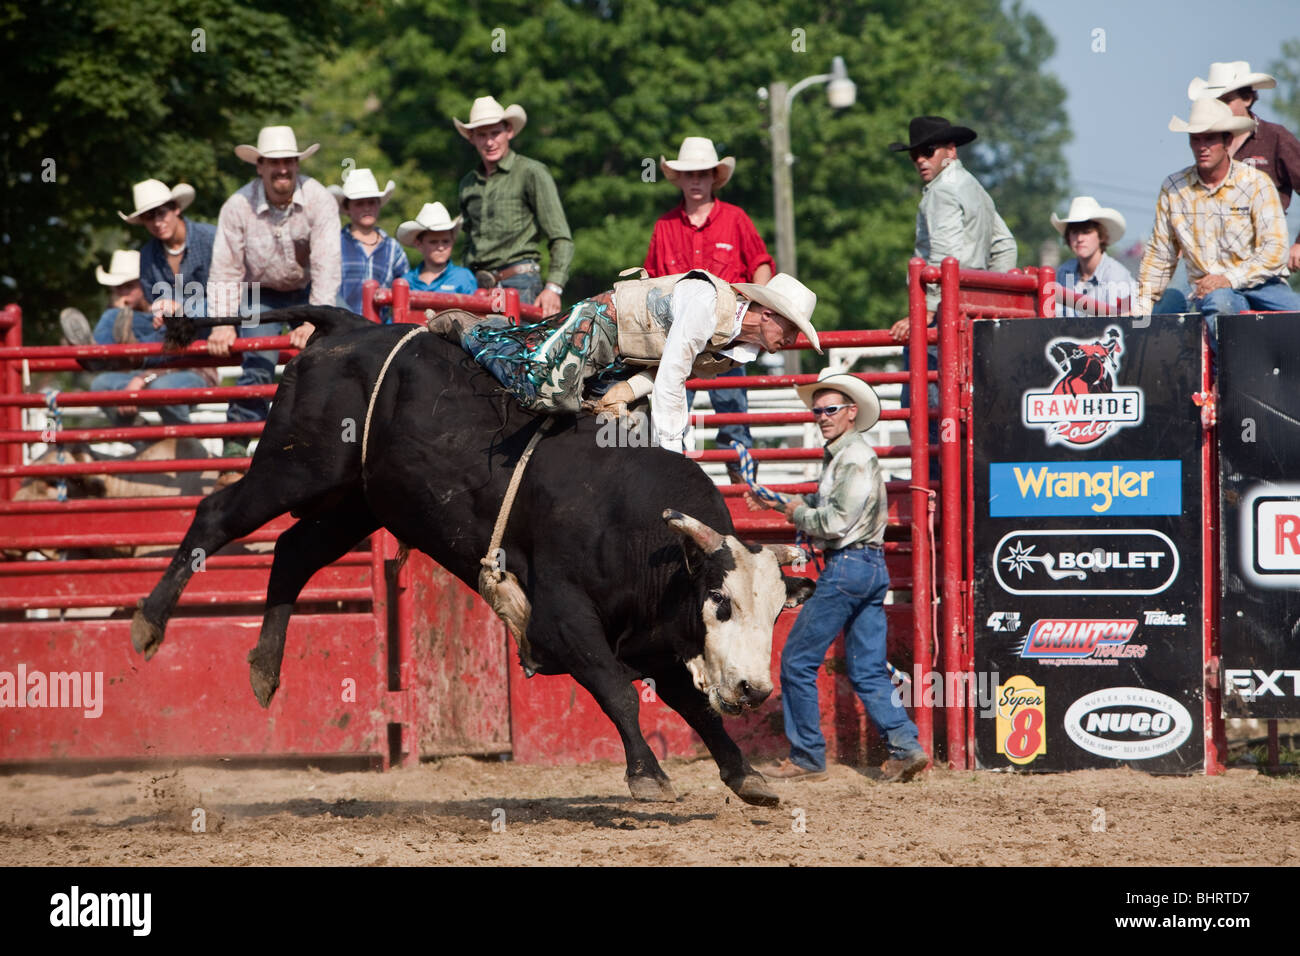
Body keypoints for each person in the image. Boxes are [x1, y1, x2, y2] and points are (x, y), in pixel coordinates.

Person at [749, 369, 928, 783]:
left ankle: (808, 756)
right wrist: (784, 506)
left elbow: (835, 521)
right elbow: (835, 510)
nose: (822, 417)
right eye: (818, 411)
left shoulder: (851, 458)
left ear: (850, 413)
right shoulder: (851, 457)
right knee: (866, 668)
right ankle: (905, 746)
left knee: (797, 661)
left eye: (830, 410)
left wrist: (797, 513)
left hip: (847, 567)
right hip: (869, 568)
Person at [436, 270, 821, 453]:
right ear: (767, 315)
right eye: (790, 330)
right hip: (601, 323)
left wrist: (626, 389)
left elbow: (667, 369)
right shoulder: (708, 305)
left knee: (624, 432)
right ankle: (473, 330)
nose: (790, 341)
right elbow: (672, 374)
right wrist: (677, 453)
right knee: (546, 393)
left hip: (627, 359)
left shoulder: (739, 350)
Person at [206, 125, 342, 486]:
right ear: (260, 166)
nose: (282, 170)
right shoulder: (238, 207)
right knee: (257, 364)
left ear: (297, 164)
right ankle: (234, 455)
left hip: (310, 289)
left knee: (341, 350)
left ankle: (337, 449)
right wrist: (222, 322)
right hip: (259, 292)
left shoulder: (319, 199)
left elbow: (328, 263)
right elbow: (226, 268)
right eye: (274, 163)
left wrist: (317, 316)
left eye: (288, 162)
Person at [886, 116, 1016, 477]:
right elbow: (1005, 246)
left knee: (924, 401)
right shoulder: (975, 188)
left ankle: (934, 482)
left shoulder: (942, 192)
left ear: (950, 151)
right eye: (915, 155)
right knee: (968, 406)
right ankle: (963, 482)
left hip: (943, 316)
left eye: (928, 151)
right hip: (971, 316)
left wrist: (924, 313)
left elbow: (941, 260)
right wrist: (991, 299)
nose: (921, 161)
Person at [645, 136, 775, 484]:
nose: (697, 181)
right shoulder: (665, 226)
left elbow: (761, 264)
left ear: (714, 177)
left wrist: (760, 302)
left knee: (732, 416)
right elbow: (650, 287)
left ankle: (743, 488)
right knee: (674, 416)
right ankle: (677, 487)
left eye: (703, 174)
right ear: (680, 179)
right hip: (679, 341)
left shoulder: (735, 219)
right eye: (690, 174)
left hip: (727, 340)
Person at [1138, 97, 1300, 344]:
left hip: (1262, 284)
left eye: (1210, 138)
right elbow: (1161, 253)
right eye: (1196, 138)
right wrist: (1144, 299)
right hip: (1209, 290)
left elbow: (1275, 250)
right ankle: (1222, 377)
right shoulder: (1174, 188)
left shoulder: (1256, 183)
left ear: (1227, 141)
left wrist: (1229, 278)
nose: (1202, 146)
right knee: (1218, 303)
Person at [454, 95, 572, 316]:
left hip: (521, 283)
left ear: (508, 131)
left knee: (515, 349)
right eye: (482, 135)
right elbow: (468, 243)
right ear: (471, 138)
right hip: (477, 286)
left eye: (495, 133)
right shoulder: (468, 183)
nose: (489, 142)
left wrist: (553, 288)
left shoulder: (531, 172)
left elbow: (561, 237)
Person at [71, 251, 211, 428]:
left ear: (143, 283)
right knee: (101, 384)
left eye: (128, 286)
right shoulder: (123, 319)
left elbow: (178, 355)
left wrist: (141, 380)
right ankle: (145, 446)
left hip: (189, 372)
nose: (122, 293)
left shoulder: (168, 305)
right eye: (117, 288)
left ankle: (186, 444)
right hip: (143, 378)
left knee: (161, 388)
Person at [1189, 60, 1300, 270]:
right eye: (1215, 102)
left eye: (1226, 101)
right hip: (1207, 254)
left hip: (1262, 253)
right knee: (1177, 301)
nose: (1219, 108)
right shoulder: (1206, 140)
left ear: (1248, 99)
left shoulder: (1276, 138)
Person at [119, 179, 217, 320]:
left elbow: (228, 292)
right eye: (149, 217)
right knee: (112, 317)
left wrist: (181, 308)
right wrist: (160, 310)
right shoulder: (147, 255)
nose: (157, 223)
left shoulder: (210, 238)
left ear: (176, 209)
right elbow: (152, 299)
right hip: (170, 324)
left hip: (213, 318)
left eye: (162, 213)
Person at [327, 168, 407, 316]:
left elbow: (406, 291)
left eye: (372, 202)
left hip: (380, 332)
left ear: (379, 205)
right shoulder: (334, 243)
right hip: (340, 330)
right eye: (359, 203)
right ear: (347, 208)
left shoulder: (393, 249)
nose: (367, 208)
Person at [1049, 196, 1134, 317]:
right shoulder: (1063, 272)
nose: (1079, 239)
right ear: (1068, 237)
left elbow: (1119, 326)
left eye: (1086, 232)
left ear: (1102, 236)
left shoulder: (1117, 276)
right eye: (1075, 232)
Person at [395, 202, 477, 299]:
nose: (441, 247)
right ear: (419, 244)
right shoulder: (406, 282)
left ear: (452, 242)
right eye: (433, 242)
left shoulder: (464, 277)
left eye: (446, 241)